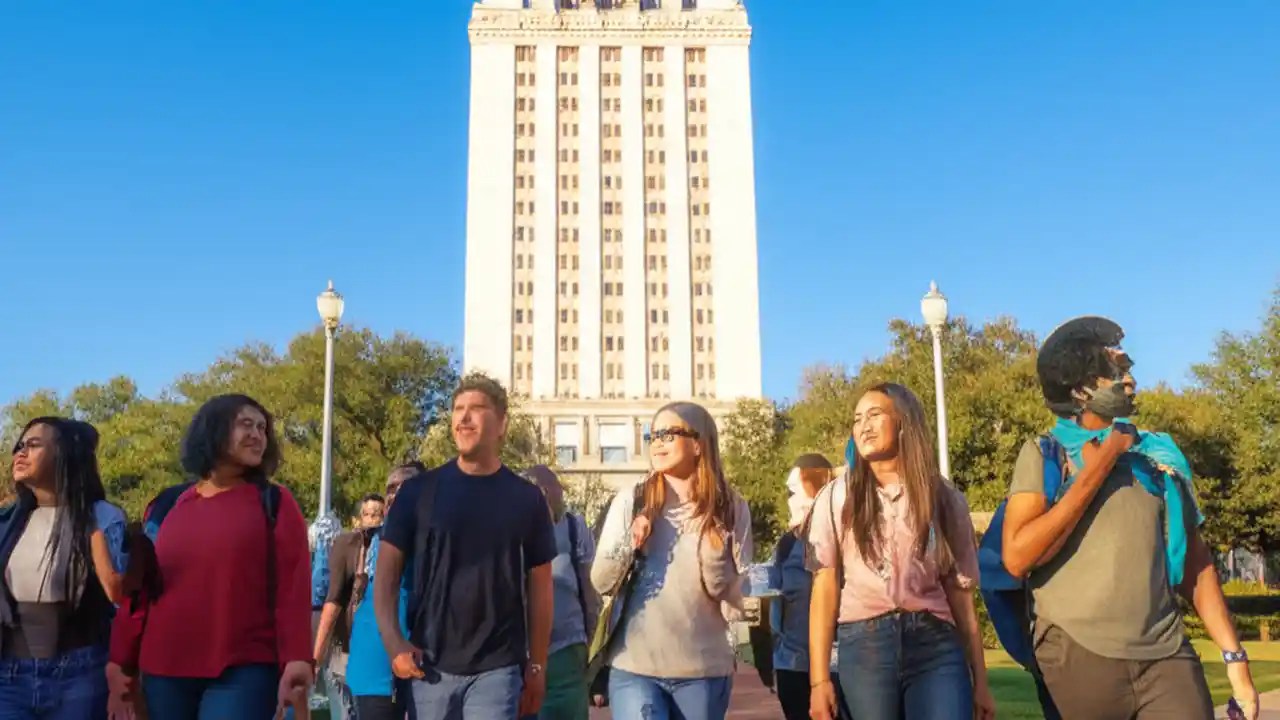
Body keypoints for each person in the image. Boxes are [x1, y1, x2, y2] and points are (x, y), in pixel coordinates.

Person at [1000, 316, 1260, 719]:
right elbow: (1018, 556)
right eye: (1117, 371)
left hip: (1166, 653)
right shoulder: (1046, 454)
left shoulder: (1159, 456)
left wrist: (1235, 658)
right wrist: (1107, 456)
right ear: (1081, 389)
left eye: (1128, 369)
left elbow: (1195, 562)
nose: (1130, 380)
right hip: (1077, 654)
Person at [106, 394, 313, 719]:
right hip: (164, 670)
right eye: (246, 425)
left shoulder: (275, 502)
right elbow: (142, 591)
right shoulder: (168, 504)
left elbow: (293, 588)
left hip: (243, 670)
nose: (257, 435)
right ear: (214, 430)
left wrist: (297, 657)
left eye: (262, 428)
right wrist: (120, 662)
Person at [807, 383, 994, 720]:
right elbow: (824, 587)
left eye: (874, 415)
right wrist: (819, 681)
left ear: (904, 421)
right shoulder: (837, 497)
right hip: (865, 647)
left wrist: (980, 680)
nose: (864, 426)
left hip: (935, 643)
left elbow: (960, 594)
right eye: (857, 419)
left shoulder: (944, 497)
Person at [374, 374, 556, 720]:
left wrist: (537, 665)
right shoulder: (417, 493)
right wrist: (394, 643)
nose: (464, 417)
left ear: (502, 424)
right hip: (429, 667)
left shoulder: (527, 498)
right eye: (458, 409)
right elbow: (385, 578)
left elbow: (541, 589)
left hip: (498, 670)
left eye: (477, 408)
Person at [590, 401, 753, 720]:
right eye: (653, 435)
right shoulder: (632, 499)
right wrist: (631, 541)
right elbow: (601, 581)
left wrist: (714, 556)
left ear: (698, 444)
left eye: (669, 433)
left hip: (704, 671)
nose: (657, 442)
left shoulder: (731, 507)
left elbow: (737, 599)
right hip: (634, 666)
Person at [0, 417, 128, 719]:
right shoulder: (7, 522)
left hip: (79, 675)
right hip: (10, 677)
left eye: (33, 445)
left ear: (65, 453)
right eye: (19, 445)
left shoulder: (102, 517)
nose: (20, 453)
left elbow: (122, 599)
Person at [768, 454, 846, 720]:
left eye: (794, 492)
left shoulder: (847, 537)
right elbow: (775, 602)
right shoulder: (786, 544)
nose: (790, 501)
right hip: (793, 666)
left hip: (840, 667)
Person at [522, 465, 600, 720]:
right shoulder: (514, 531)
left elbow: (589, 590)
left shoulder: (575, 528)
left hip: (568, 647)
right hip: (525, 651)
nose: (559, 497)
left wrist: (589, 641)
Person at [344, 464, 419, 720]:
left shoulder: (427, 536)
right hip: (377, 670)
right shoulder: (388, 538)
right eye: (390, 489)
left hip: (409, 665)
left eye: (404, 488)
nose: (394, 495)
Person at [314, 492, 390, 719]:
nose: (373, 520)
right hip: (345, 649)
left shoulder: (389, 546)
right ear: (358, 518)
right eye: (368, 514)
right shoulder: (346, 545)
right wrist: (317, 656)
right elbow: (333, 600)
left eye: (378, 514)